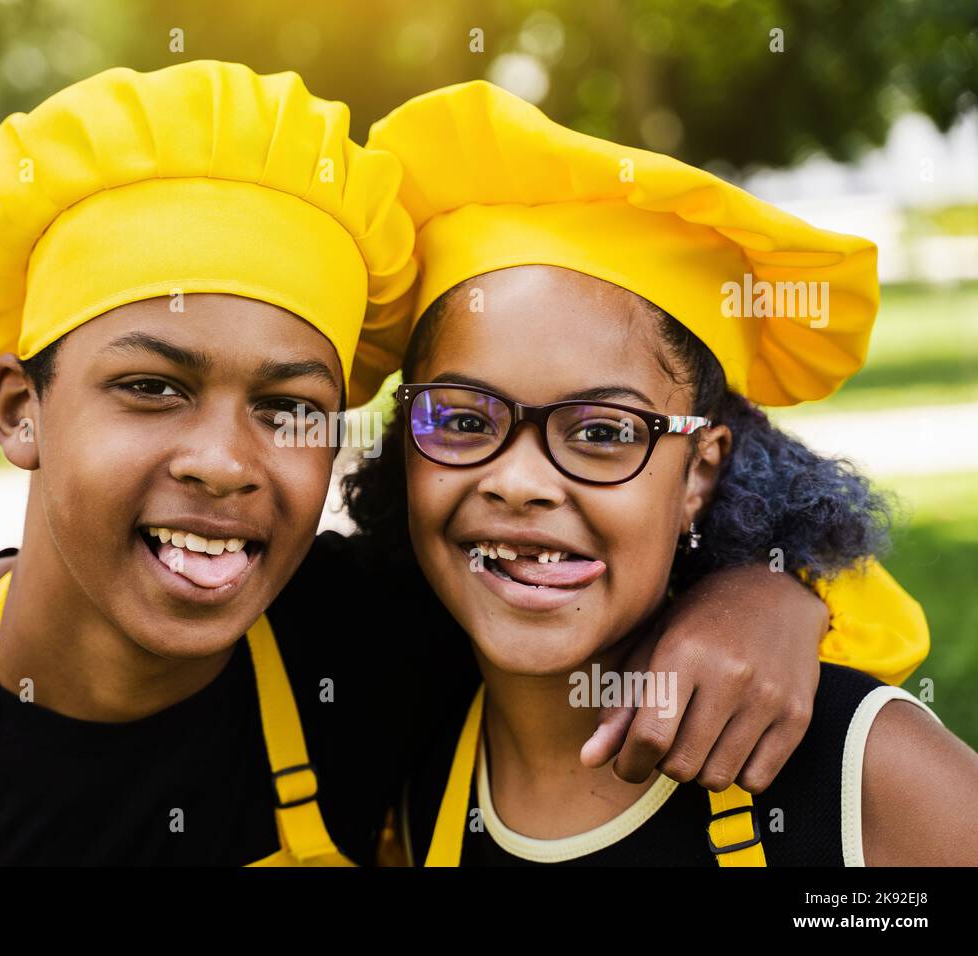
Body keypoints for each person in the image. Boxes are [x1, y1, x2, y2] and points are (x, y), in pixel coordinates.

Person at [0, 64, 930, 867]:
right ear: (21, 407)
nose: (226, 460)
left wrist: (762, 591)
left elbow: (587, 591)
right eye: (152, 387)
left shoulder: (377, 644)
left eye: (289, 405)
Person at [347, 80, 978, 866]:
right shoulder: (416, 780)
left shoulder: (863, 778)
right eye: (467, 419)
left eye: (604, 432)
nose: (519, 481)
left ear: (699, 475)